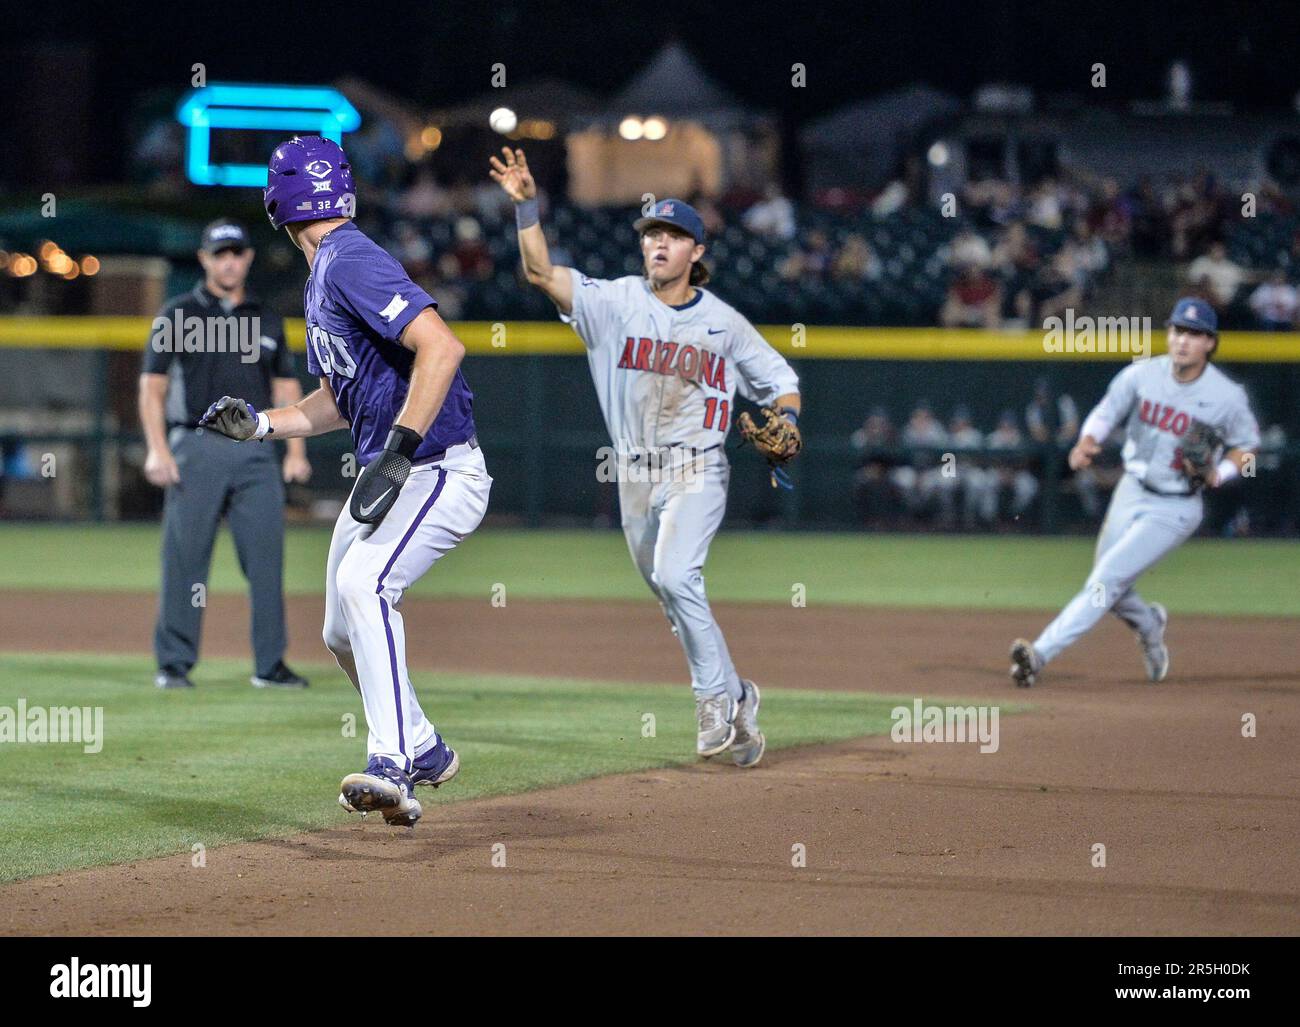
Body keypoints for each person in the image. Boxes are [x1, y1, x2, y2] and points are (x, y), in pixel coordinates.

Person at [201, 137, 491, 828]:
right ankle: (422, 743)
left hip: (437, 466)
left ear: (278, 201)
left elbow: (442, 347)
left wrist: (399, 447)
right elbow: (339, 397)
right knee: (338, 629)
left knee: (366, 583)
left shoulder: (349, 258)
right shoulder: (327, 268)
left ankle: (391, 763)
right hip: (401, 466)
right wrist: (264, 426)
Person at [492, 146, 801, 768]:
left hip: (699, 468)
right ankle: (740, 695)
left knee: (677, 575)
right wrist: (528, 206)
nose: (659, 243)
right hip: (635, 477)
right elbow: (540, 273)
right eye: (652, 233)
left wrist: (788, 416)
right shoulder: (613, 302)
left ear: (697, 252)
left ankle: (713, 702)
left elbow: (780, 377)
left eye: (674, 235)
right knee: (670, 592)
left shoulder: (725, 324)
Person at [1008, 298, 1260, 687]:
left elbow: (1247, 450)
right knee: (1109, 585)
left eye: (1194, 334)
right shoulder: (1142, 375)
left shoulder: (1227, 396)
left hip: (1175, 507)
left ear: (1210, 342)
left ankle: (1038, 656)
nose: (1182, 341)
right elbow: (1107, 410)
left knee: (1105, 581)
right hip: (1131, 489)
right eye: (1178, 331)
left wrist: (1220, 474)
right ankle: (1149, 624)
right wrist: (1088, 439)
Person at [138, 218, 312, 691]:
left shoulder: (268, 317)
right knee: (185, 559)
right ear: (204, 259)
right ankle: (173, 664)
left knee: (266, 560)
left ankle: (270, 665)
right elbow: (151, 389)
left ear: (248, 258)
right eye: (220, 253)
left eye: (236, 252)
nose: (229, 261)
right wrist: (158, 450)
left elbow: (286, 386)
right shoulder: (176, 314)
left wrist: (295, 450)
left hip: (255, 449)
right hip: (195, 446)